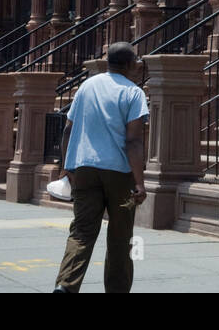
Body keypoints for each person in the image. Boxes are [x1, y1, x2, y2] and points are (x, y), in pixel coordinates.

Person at [52, 41, 148, 293]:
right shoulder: (134, 93)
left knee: (82, 232)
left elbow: (68, 129)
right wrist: (139, 182)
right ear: (129, 65)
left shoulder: (86, 87)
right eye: (135, 63)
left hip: (84, 168)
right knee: (119, 238)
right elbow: (134, 140)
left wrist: (66, 167)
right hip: (119, 172)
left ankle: (65, 285)